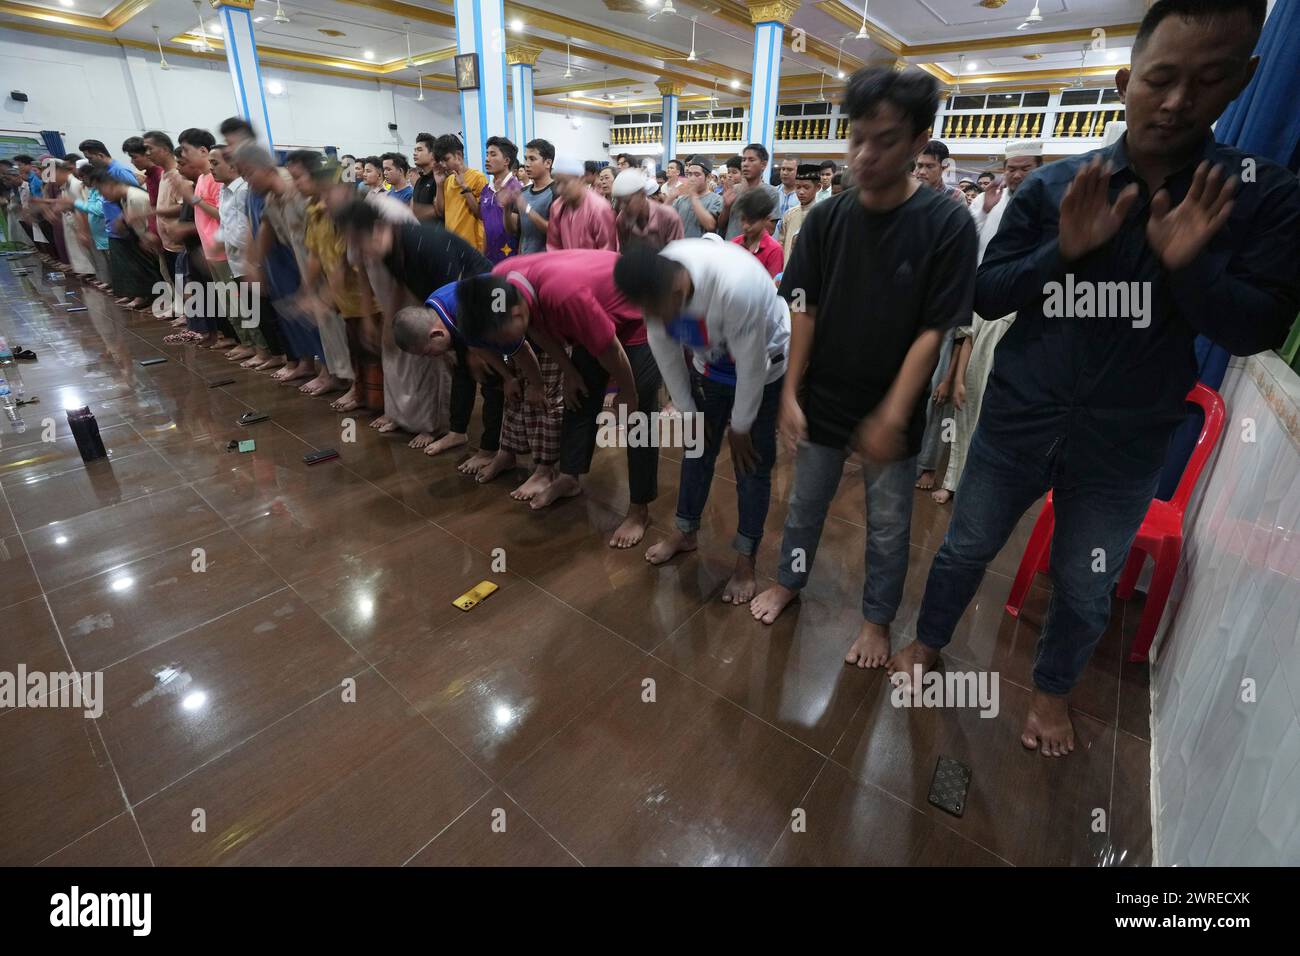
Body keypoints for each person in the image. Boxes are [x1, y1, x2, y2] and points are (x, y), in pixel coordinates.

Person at [895, 0, 1300, 757]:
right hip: (1019, 418)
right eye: (1162, 79)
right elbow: (988, 293)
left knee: (1085, 585)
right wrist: (1063, 254)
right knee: (965, 547)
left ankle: (1051, 696)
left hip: (1125, 441)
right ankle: (926, 643)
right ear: (1126, 80)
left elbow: (1259, 329)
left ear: (1244, 80)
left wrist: (1192, 268)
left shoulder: (1257, 195)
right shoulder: (1054, 188)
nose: (1178, 101)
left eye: (1208, 80)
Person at [748, 67, 978, 678]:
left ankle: (877, 620)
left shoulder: (947, 224)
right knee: (804, 506)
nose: (866, 155)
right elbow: (804, 307)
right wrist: (790, 392)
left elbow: (936, 327)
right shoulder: (827, 219)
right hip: (824, 392)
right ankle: (789, 582)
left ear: (920, 140)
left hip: (892, 403)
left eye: (887, 140)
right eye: (858, 138)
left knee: (887, 524)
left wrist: (895, 411)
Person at [615, 239, 790, 602]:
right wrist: (688, 412)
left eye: (665, 311)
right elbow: (664, 352)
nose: (661, 319)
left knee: (751, 465)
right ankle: (685, 531)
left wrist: (740, 426)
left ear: (680, 286)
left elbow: (752, 366)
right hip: (709, 367)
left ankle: (746, 560)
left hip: (764, 364)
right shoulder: (656, 289)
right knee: (697, 449)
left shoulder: (735, 287)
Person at [456, 250, 663, 548]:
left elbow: (611, 350)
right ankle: (569, 477)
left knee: (639, 416)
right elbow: (536, 329)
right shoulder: (503, 282)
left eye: (500, 340)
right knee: (576, 395)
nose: (502, 348)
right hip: (592, 306)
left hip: (639, 309)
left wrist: (627, 392)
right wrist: (569, 372)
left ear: (514, 314)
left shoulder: (563, 295)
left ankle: (639, 509)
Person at [931, 138, 1045, 505]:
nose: (1016, 175)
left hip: (1022, 316)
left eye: (1024, 169)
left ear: (1038, 168)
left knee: (1002, 413)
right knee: (966, 400)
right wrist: (983, 211)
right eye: (1011, 168)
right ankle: (953, 479)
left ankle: (987, 490)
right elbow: (969, 248)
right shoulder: (986, 202)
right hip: (983, 308)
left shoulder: (1051, 205)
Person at [334, 198, 495, 456]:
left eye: (361, 243)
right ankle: (457, 432)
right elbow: (403, 286)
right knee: (461, 366)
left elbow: (460, 295)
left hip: (480, 299)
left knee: (486, 373)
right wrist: (389, 322)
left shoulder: (424, 243)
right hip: (453, 303)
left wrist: (474, 348)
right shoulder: (389, 249)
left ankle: (490, 448)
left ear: (377, 228)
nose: (361, 253)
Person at [393, 282, 563, 500]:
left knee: (542, 401)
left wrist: (538, 385)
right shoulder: (436, 308)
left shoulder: (469, 318)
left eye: (428, 353)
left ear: (436, 334)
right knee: (513, 394)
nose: (432, 358)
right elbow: (476, 345)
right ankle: (507, 454)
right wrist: (507, 377)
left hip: (543, 330)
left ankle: (545, 471)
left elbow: (522, 349)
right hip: (510, 328)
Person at [210, 144, 279, 370]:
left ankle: (273, 353)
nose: (211, 169)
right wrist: (219, 240)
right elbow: (227, 224)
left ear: (232, 166)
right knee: (252, 310)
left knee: (263, 312)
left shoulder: (243, 191)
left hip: (250, 259)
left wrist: (223, 239)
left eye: (215, 163)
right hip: (237, 260)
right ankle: (265, 351)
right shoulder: (225, 190)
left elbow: (244, 231)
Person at [547, 156, 617, 251]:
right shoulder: (557, 207)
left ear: (581, 179)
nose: (559, 189)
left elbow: (608, 252)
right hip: (565, 264)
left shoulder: (600, 208)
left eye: (565, 183)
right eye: (557, 183)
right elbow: (553, 246)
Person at [432, 134, 488, 252]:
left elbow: (481, 214)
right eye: (440, 161)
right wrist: (439, 184)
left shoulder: (478, 178)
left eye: (446, 159)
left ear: (458, 155)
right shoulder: (447, 181)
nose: (442, 164)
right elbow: (441, 212)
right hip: (451, 245)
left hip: (472, 246)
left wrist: (464, 186)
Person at [718, 143, 781, 241]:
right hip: (731, 248)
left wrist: (750, 199)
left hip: (755, 250)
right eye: (744, 160)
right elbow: (721, 225)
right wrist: (726, 207)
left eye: (751, 160)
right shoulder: (734, 190)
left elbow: (770, 230)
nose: (745, 164)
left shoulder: (770, 193)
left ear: (763, 164)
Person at [612, 168, 682, 251]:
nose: (622, 207)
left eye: (626, 201)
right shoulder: (622, 220)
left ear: (642, 195)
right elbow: (625, 255)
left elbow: (676, 256)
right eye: (619, 202)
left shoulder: (668, 217)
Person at [478, 135, 521, 264]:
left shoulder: (517, 190)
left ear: (506, 161)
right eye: (487, 154)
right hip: (490, 260)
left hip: (512, 261)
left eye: (493, 155)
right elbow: (486, 225)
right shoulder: (486, 190)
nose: (487, 159)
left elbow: (517, 230)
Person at [729, 188, 783, 279]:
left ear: (766, 219)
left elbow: (772, 287)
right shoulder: (734, 244)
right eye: (742, 219)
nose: (745, 226)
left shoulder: (774, 250)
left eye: (752, 221)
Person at [515, 138, 555, 255]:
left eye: (532, 159)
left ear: (548, 163)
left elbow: (554, 231)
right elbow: (517, 230)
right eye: (526, 158)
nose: (527, 164)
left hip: (546, 263)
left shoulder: (556, 192)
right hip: (525, 261)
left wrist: (527, 209)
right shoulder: (523, 192)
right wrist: (507, 208)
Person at [780, 163, 820, 266]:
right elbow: (782, 244)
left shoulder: (822, 215)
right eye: (798, 187)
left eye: (806, 187)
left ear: (818, 187)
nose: (801, 192)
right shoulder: (789, 214)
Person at [672, 156, 721, 239]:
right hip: (681, 248)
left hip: (702, 250)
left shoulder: (716, 200)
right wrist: (671, 196)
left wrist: (693, 196)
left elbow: (710, 225)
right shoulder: (681, 200)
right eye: (689, 174)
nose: (692, 178)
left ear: (708, 177)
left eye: (697, 174)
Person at [914, 140, 968, 204]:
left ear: (944, 167)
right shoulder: (904, 193)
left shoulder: (956, 196)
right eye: (919, 165)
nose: (922, 172)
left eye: (930, 166)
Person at [410, 133, 440, 222]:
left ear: (432, 154)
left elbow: (442, 210)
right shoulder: (419, 180)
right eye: (414, 150)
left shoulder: (440, 179)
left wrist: (413, 211)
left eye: (419, 150)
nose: (414, 154)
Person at [774, 156, 800, 235]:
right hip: (772, 243)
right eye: (783, 169)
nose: (785, 173)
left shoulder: (802, 196)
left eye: (789, 170)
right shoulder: (773, 193)